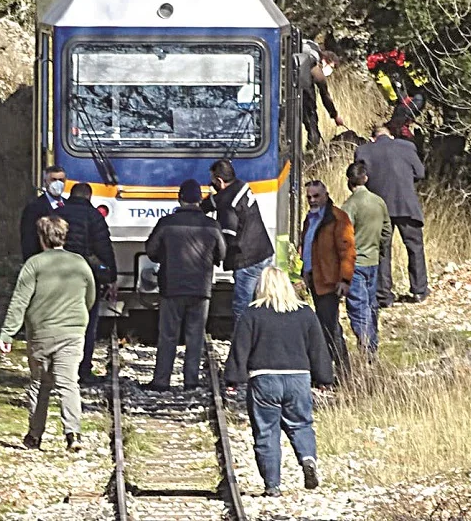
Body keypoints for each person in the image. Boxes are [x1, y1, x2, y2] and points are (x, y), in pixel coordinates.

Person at [224, 265, 333, 497]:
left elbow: (240, 349)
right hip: (298, 378)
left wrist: (233, 378)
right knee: (301, 423)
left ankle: (272, 485)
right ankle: (307, 458)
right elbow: (318, 348)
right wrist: (323, 377)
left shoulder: (252, 313)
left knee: (266, 432)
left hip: (264, 379)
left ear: (261, 286)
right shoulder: (305, 312)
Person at [0, 216, 97, 452]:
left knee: (39, 384)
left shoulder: (34, 264)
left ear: (42, 237)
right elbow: (90, 297)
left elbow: (20, 300)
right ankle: (73, 434)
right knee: (68, 382)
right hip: (73, 331)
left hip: (42, 333)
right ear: (64, 236)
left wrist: (7, 333)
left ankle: (34, 436)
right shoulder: (80, 263)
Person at [143, 179, 226, 391]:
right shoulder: (212, 225)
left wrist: (166, 256)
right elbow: (222, 254)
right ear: (200, 199)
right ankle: (191, 380)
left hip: (172, 287)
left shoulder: (166, 223)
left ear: (179, 198)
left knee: (168, 335)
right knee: (195, 336)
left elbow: (151, 250)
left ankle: (162, 381)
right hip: (201, 288)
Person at [353, 117, 428, 304]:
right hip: (406, 204)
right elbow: (420, 173)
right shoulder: (407, 147)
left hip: (378, 207)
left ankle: (383, 295)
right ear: (391, 136)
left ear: (372, 138)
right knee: (414, 247)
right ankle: (419, 290)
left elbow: (358, 179)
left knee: (382, 250)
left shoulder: (363, 151)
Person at [57, 182, 118, 385]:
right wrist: (111, 278)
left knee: (62, 322)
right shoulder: (94, 217)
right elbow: (104, 248)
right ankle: (84, 370)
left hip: (61, 277)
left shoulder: (58, 214)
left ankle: (61, 368)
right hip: (87, 279)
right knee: (88, 324)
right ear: (89, 197)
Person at [202, 159, 274, 319]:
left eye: (213, 180)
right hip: (264, 251)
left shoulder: (228, 206)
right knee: (262, 304)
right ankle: (261, 339)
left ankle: (243, 342)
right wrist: (203, 205)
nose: (211, 183)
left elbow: (228, 236)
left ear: (219, 181)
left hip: (247, 259)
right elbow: (217, 200)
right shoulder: (241, 186)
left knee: (242, 308)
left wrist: (216, 256)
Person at [300, 180, 354, 375]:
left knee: (330, 325)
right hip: (315, 277)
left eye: (316, 196)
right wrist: (304, 271)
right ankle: (328, 367)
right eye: (309, 197)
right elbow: (307, 246)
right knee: (324, 324)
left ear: (326, 195)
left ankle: (342, 370)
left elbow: (347, 251)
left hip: (330, 280)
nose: (312, 200)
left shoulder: (338, 219)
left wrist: (345, 279)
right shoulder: (310, 218)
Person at [341, 162, 387, 359]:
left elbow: (343, 236)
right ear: (365, 178)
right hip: (373, 260)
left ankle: (366, 348)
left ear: (348, 181)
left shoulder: (350, 205)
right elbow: (386, 230)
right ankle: (372, 344)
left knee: (358, 306)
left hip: (355, 263)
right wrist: (380, 250)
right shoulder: (379, 202)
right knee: (371, 304)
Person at [298, 41, 344, 148]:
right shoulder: (315, 68)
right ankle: (311, 152)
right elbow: (325, 95)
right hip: (305, 98)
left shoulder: (308, 51)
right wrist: (335, 115)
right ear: (326, 61)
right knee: (312, 125)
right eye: (332, 67)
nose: (330, 71)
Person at [20, 165, 68, 261]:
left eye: (61, 180)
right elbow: (28, 240)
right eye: (53, 180)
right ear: (45, 182)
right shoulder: (33, 208)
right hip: (44, 261)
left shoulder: (70, 205)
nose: (58, 183)